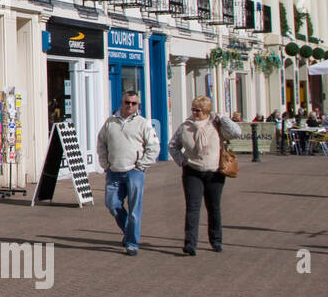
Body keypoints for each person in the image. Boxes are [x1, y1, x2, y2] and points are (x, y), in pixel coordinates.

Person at [169, 95, 242, 255]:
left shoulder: (216, 124)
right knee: (193, 208)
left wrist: (223, 117)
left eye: (199, 110)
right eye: (193, 109)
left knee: (214, 207)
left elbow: (237, 133)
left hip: (214, 172)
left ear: (207, 111)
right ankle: (190, 244)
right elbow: (173, 146)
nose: (195, 113)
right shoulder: (185, 126)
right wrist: (182, 161)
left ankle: (216, 240)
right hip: (192, 171)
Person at [96, 90, 161, 256]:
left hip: (134, 172)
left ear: (137, 105)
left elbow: (154, 147)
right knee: (112, 204)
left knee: (134, 210)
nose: (130, 106)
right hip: (114, 171)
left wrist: (141, 165)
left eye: (134, 103)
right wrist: (105, 164)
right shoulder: (110, 122)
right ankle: (128, 230)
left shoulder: (143, 123)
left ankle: (132, 242)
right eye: (127, 102)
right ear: (121, 102)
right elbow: (101, 143)